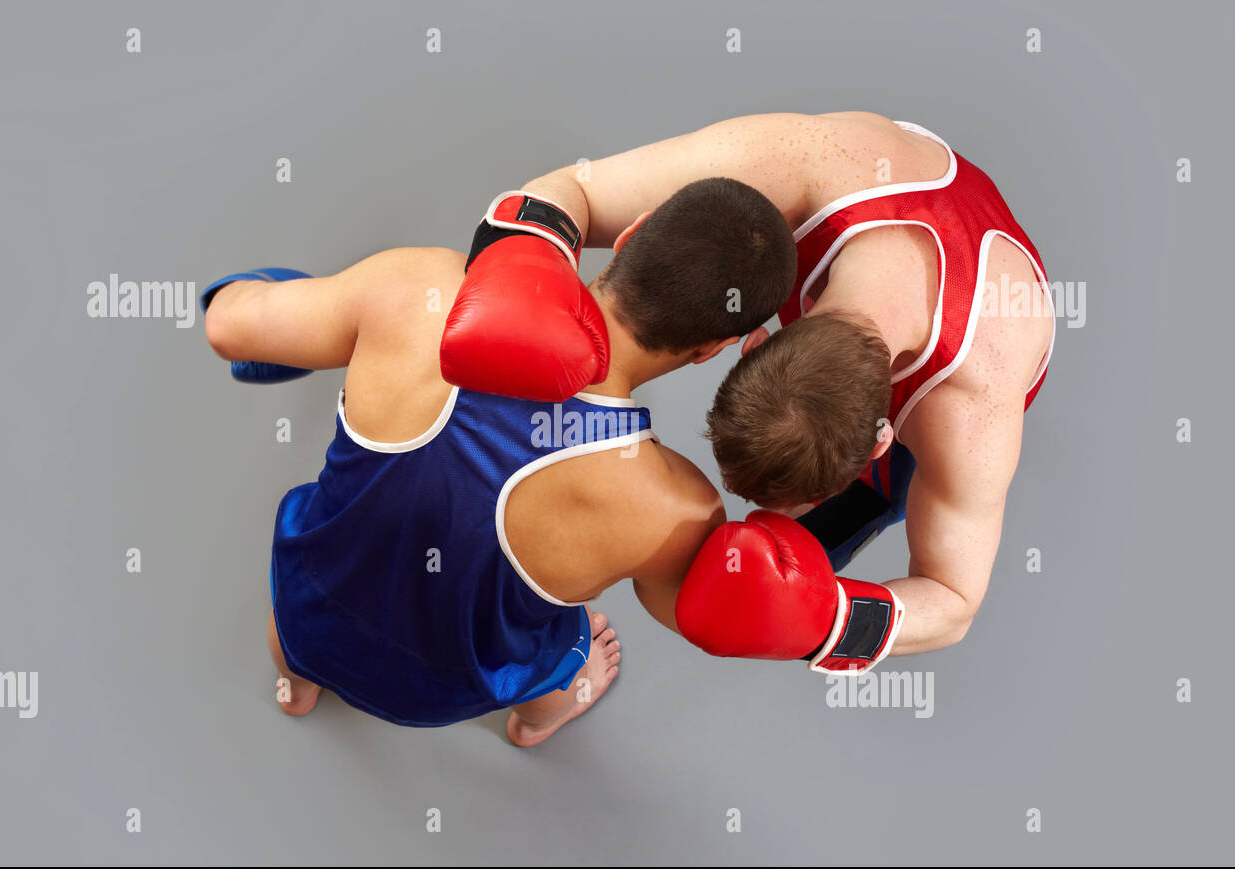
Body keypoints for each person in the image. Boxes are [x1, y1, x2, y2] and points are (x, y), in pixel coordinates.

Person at [440, 111, 1055, 667]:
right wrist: (524, 258)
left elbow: (953, 599)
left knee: (789, 561)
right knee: (748, 569)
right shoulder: (814, 161)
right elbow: (569, 189)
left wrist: (824, 622)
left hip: (957, 370)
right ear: (754, 341)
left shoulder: (971, 411)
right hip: (883, 191)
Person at [201, 178, 797, 745]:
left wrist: (323, 310)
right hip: (445, 692)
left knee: (307, 613)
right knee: (560, 649)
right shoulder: (673, 505)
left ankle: (297, 688)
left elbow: (227, 327)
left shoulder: (421, 288)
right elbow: (690, 612)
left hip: (305, 623)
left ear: (629, 235)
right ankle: (536, 723)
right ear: (711, 351)